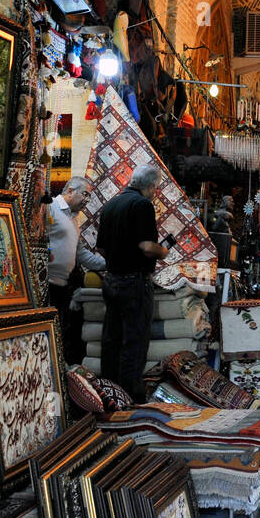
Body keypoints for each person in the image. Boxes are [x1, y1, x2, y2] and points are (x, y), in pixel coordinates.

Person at [95, 164, 168, 402]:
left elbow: (102, 248)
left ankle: (108, 393)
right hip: (135, 282)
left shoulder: (111, 205)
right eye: (155, 189)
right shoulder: (142, 205)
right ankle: (129, 396)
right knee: (134, 340)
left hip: (112, 280)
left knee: (112, 339)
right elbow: (147, 248)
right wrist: (163, 251)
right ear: (149, 186)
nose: (155, 193)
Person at [47, 176, 106, 365]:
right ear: (70, 190)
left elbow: (81, 253)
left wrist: (110, 264)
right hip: (46, 283)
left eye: (89, 197)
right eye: (85, 194)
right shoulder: (51, 208)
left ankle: (60, 367)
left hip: (63, 284)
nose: (87, 201)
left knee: (63, 329)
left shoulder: (73, 220)